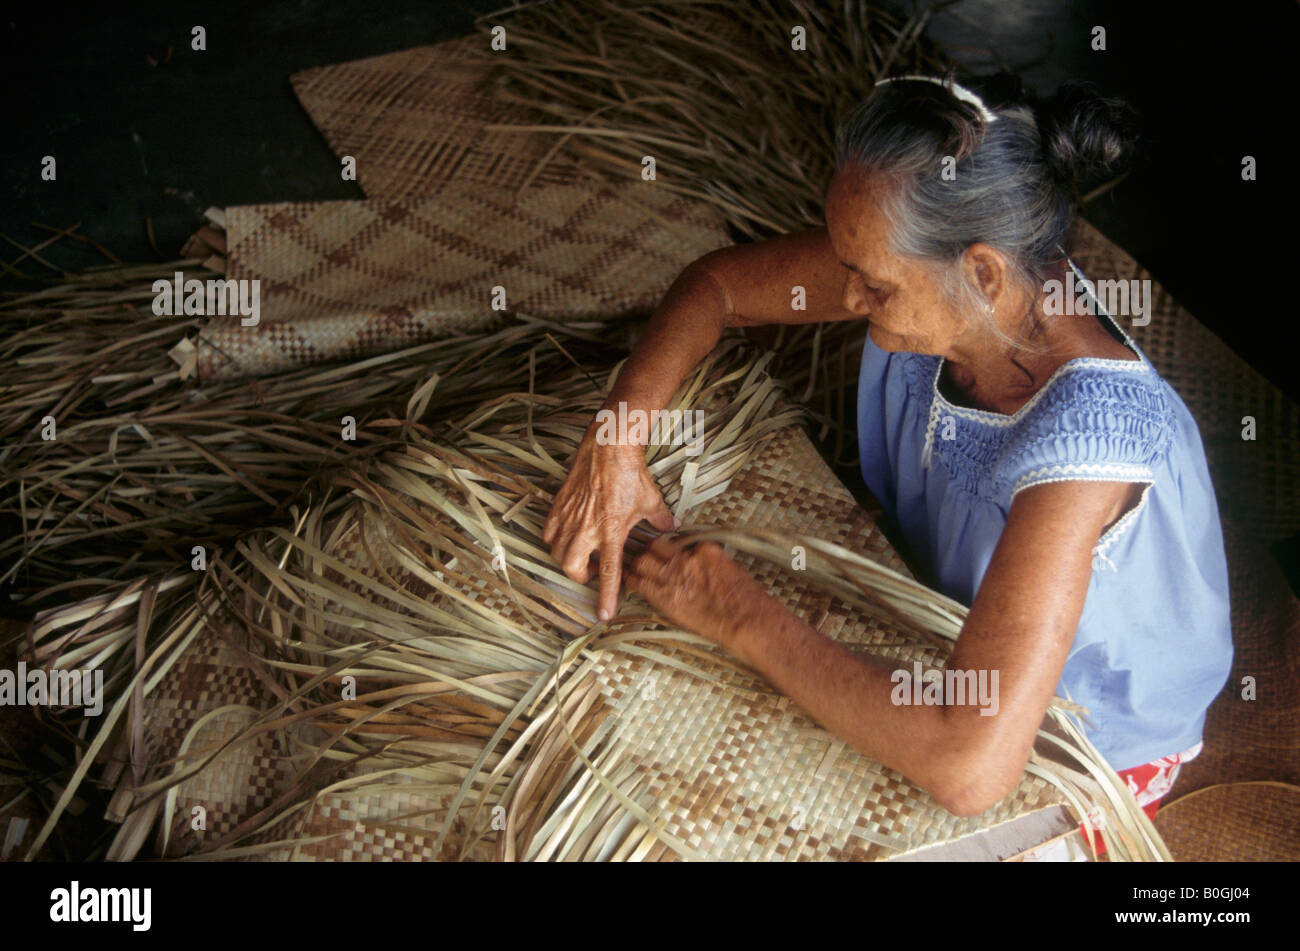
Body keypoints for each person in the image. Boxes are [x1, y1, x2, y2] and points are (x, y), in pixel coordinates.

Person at [541, 74, 1233, 823]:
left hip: (1082, 742)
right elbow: (719, 285)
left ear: (982, 272)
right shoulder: (952, 283)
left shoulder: (1082, 447)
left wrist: (737, 610)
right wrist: (616, 439)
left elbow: (972, 766)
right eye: (849, 268)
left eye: (873, 284)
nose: (848, 300)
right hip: (940, 620)